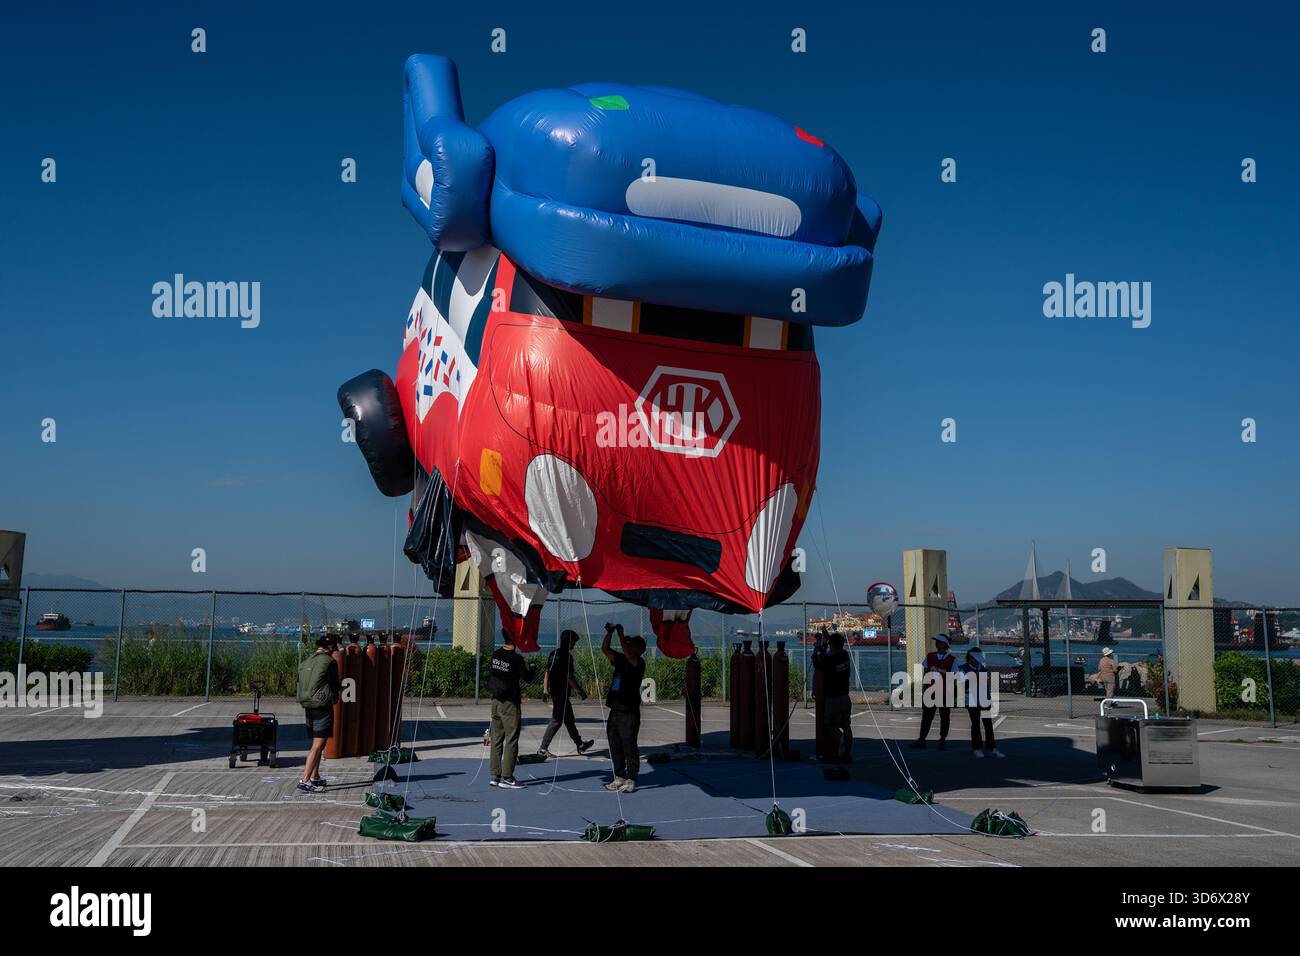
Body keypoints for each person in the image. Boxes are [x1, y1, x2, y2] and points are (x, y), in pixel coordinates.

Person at [488, 630, 537, 789]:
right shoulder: (516, 659)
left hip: (495, 700)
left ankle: (495, 774)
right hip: (510, 703)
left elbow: (492, 672)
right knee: (511, 738)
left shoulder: (495, 655)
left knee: (497, 738)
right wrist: (532, 669)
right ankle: (507, 776)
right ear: (515, 640)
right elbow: (527, 678)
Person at [601, 622, 646, 793]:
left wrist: (621, 635)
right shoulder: (621, 659)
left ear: (640, 648)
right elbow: (605, 649)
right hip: (616, 708)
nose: (628, 645)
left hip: (630, 711)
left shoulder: (638, 662)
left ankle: (631, 777)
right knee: (614, 743)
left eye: (632, 643)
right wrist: (610, 633)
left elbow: (629, 655)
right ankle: (619, 775)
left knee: (629, 743)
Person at [537, 629, 594, 757]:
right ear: (569, 642)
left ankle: (580, 744)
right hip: (561, 692)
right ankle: (542, 748)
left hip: (555, 691)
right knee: (556, 721)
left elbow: (547, 672)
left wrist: (545, 690)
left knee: (569, 720)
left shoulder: (553, 653)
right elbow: (569, 676)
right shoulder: (567, 656)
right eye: (573, 642)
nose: (574, 645)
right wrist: (580, 691)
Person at [296, 635, 341, 793]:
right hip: (322, 705)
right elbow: (336, 684)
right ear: (330, 646)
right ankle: (305, 779)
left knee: (317, 743)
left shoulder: (306, 661)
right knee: (318, 745)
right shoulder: (329, 662)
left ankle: (315, 776)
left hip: (308, 705)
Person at [909, 633, 956, 750]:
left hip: (945, 692)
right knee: (927, 716)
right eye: (936, 641)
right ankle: (922, 739)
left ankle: (942, 740)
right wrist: (925, 689)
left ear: (944, 645)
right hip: (931, 691)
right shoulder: (930, 656)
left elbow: (953, 675)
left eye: (939, 642)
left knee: (944, 717)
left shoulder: (952, 659)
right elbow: (926, 672)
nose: (936, 643)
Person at [812, 631, 853, 762]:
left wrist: (819, 648)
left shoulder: (830, 661)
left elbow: (817, 662)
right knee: (846, 726)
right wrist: (828, 638)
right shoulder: (845, 656)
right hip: (845, 697)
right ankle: (847, 754)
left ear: (832, 646)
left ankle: (834, 755)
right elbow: (835, 646)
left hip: (833, 698)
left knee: (834, 727)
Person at [957, 647, 1004, 758]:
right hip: (972, 701)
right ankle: (977, 748)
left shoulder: (981, 668)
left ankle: (992, 748)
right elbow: (963, 685)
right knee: (976, 724)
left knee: (988, 724)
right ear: (970, 658)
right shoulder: (962, 669)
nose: (977, 660)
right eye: (975, 658)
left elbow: (985, 685)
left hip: (983, 699)